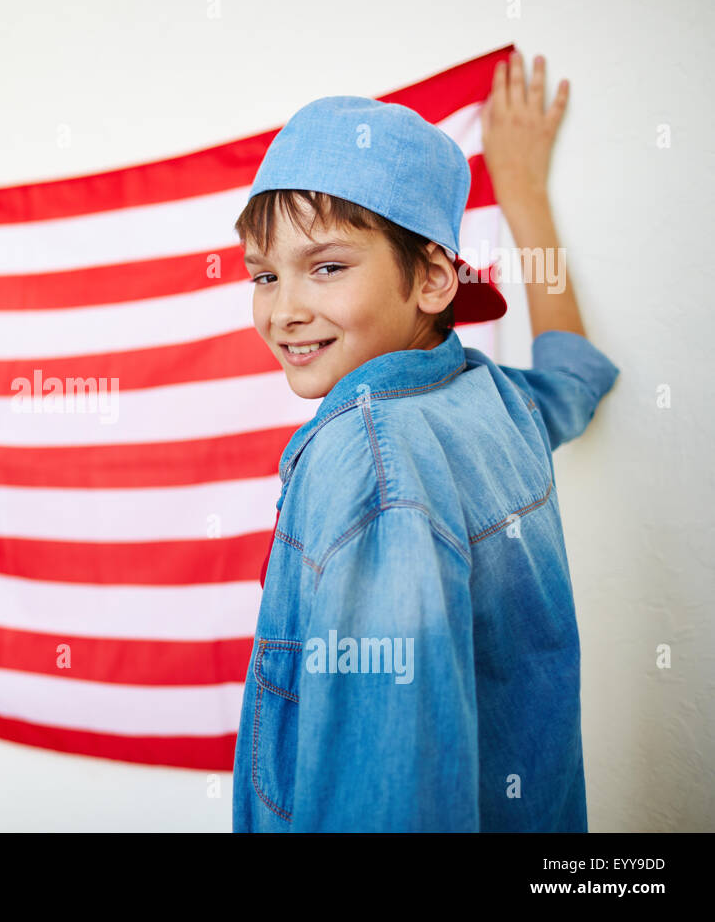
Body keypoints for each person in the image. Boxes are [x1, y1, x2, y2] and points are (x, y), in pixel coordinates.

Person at [232, 50, 619, 831]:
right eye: (264, 275)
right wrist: (527, 195)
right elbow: (577, 374)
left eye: (328, 266)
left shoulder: (370, 465)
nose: (284, 311)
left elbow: (388, 802)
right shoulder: (496, 400)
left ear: (435, 280)